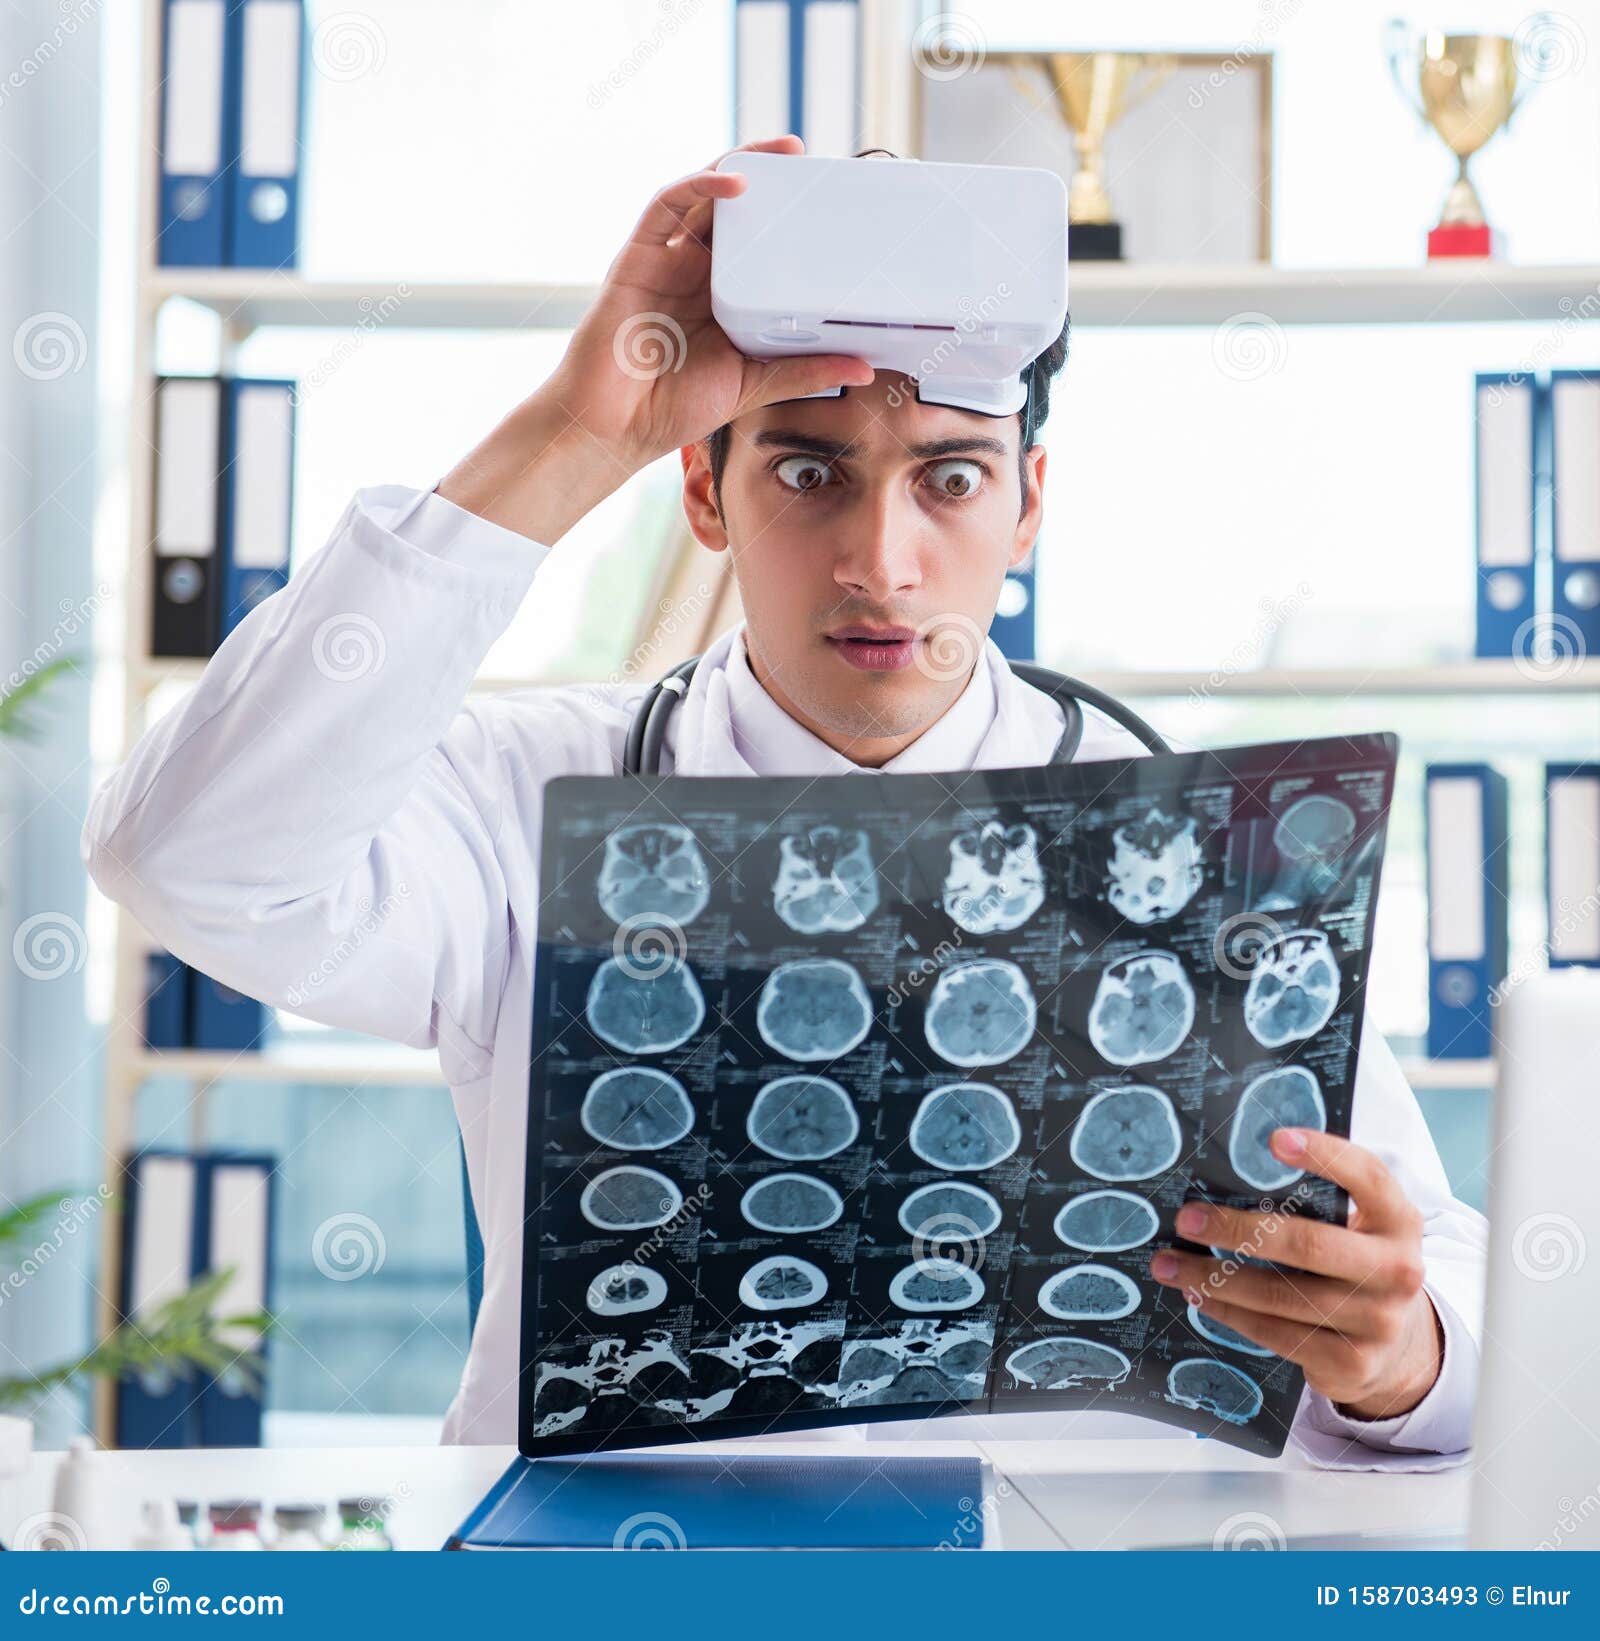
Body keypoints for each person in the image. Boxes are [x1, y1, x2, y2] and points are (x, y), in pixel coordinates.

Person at [83, 136, 1485, 1467]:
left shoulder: (1215, 847)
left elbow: (1437, 1280)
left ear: (1028, 506)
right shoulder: (525, 796)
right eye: (810, 472)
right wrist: (573, 432)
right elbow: (189, 859)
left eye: (950, 477)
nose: (881, 561)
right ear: (703, 490)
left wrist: (1402, 1354)